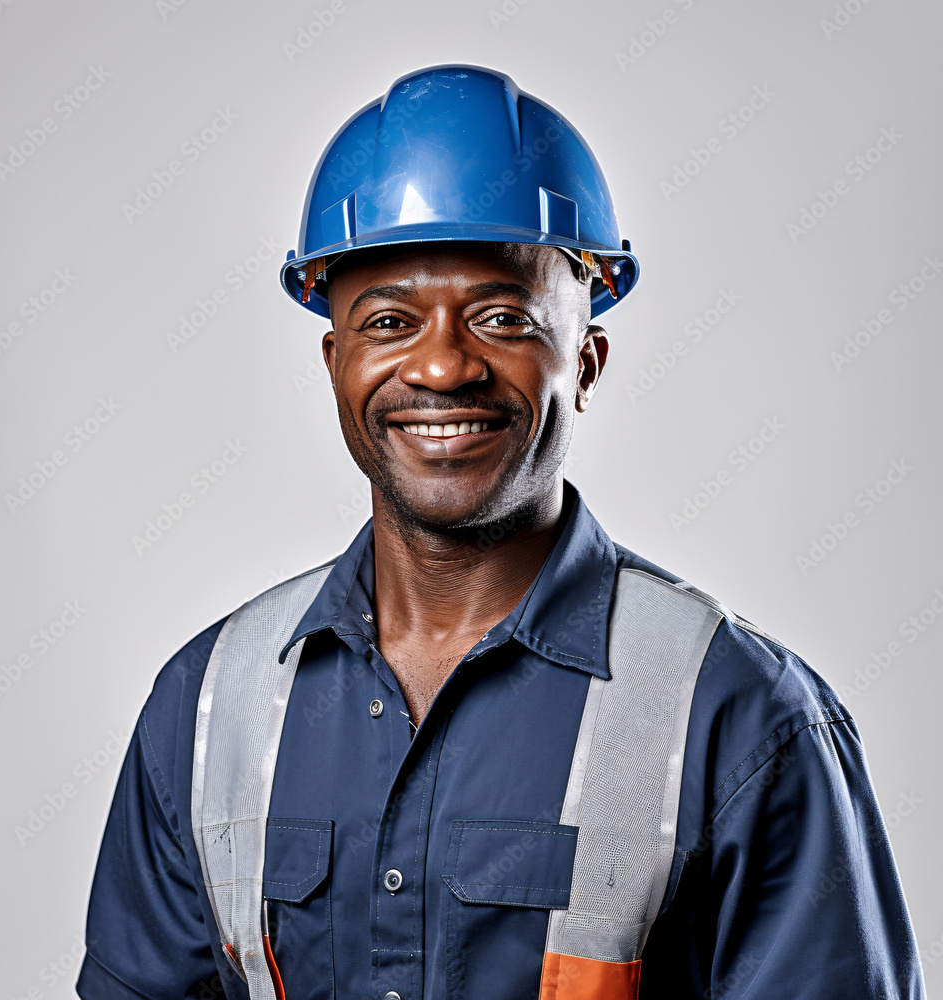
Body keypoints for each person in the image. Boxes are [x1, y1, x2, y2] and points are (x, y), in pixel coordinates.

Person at [76, 65, 925, 1000]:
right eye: (391, 320)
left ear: (587, 362)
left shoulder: (739, 717)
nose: (442, 365)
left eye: (502, 317)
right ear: (337, 363)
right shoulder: (207, 713)